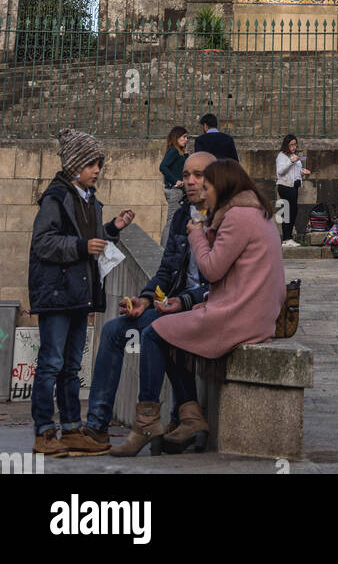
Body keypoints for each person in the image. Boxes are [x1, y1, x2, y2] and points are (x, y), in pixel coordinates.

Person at [127, 158, 285, 455]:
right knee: (169, 331)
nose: (204, 191)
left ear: (221, 186)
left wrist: (197, 232)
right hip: (251, 312)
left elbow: (212, 269)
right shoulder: (255, 212)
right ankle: (189, 419)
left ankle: (147, 421)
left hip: (239, 318)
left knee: (153, 333)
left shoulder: (239, 216)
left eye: (207, 184)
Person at [87, 151, 213, 455]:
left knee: (156, 333)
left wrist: (182, 301)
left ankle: (149, 423)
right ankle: (96, 427)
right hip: (175, 304)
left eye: (199, 175)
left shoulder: (226, 217)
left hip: (206, 306)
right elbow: (167, 269)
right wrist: (144, 299)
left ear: (216, 178)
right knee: (116, 329)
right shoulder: (183, 214)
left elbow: (221, 283)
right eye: (186, 175)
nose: (190, 181)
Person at [27, 129, 135, 457]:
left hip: (78, 292)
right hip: (57, 293)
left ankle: (72, 429)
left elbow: (89, 240)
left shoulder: (90, 201)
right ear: (75, 166)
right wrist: (81, 245)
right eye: (91, 164)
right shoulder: (56, 198)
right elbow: (44, 242)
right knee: (51, 363)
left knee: (72, 366)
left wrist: (112, 229)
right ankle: (44, 431)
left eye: (98, 163)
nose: (97, 170)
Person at [276, 134, 310, 246]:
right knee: (288, 212)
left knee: (293, 212)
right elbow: (280, 171)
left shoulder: (294, 155)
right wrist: (291, 162)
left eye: (295, 144)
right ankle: (286, 238)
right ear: (286, 145)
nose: (293, 147)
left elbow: (294, 171)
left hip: (293, 186)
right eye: (291, 145)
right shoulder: (282, 156)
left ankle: (288, 237)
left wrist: (302, 171)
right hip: (285, 186)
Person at [159, 126, 188, 245]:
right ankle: (163, 247)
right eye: (184, 137)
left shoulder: (178, 152)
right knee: (171, 220)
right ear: (177, 138)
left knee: (177, 219)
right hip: (174, 191)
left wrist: (186, 154)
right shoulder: (173, 151)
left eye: (187, 137)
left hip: (177, 190)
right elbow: (163, 166)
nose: (186, 140)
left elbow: (183, 165)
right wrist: (175, 181)